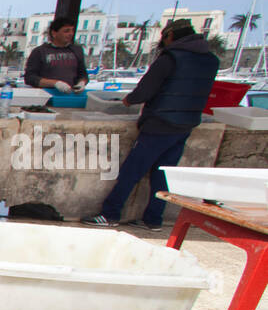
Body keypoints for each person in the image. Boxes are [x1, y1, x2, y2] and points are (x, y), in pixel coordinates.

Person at [82, 19, 219, 230]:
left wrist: (129, 100)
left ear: (170, 36)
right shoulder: (210, 61)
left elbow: (144, 91)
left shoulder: (171, 58)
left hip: (160, 123)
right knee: (163, 174)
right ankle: (153, 219)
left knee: (131, 171)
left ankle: (110, 214)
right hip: (186, 124)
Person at [24, 15, 88, 93]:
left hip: (70, 95)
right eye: (66, 31)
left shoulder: (77, 50)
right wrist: (55, 83)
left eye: (72, 30)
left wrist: (82, 82)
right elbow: (30, 78)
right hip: (45, 95)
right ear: (54, 33)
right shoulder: (39, 51)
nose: (71, 34)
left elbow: (83, 74)